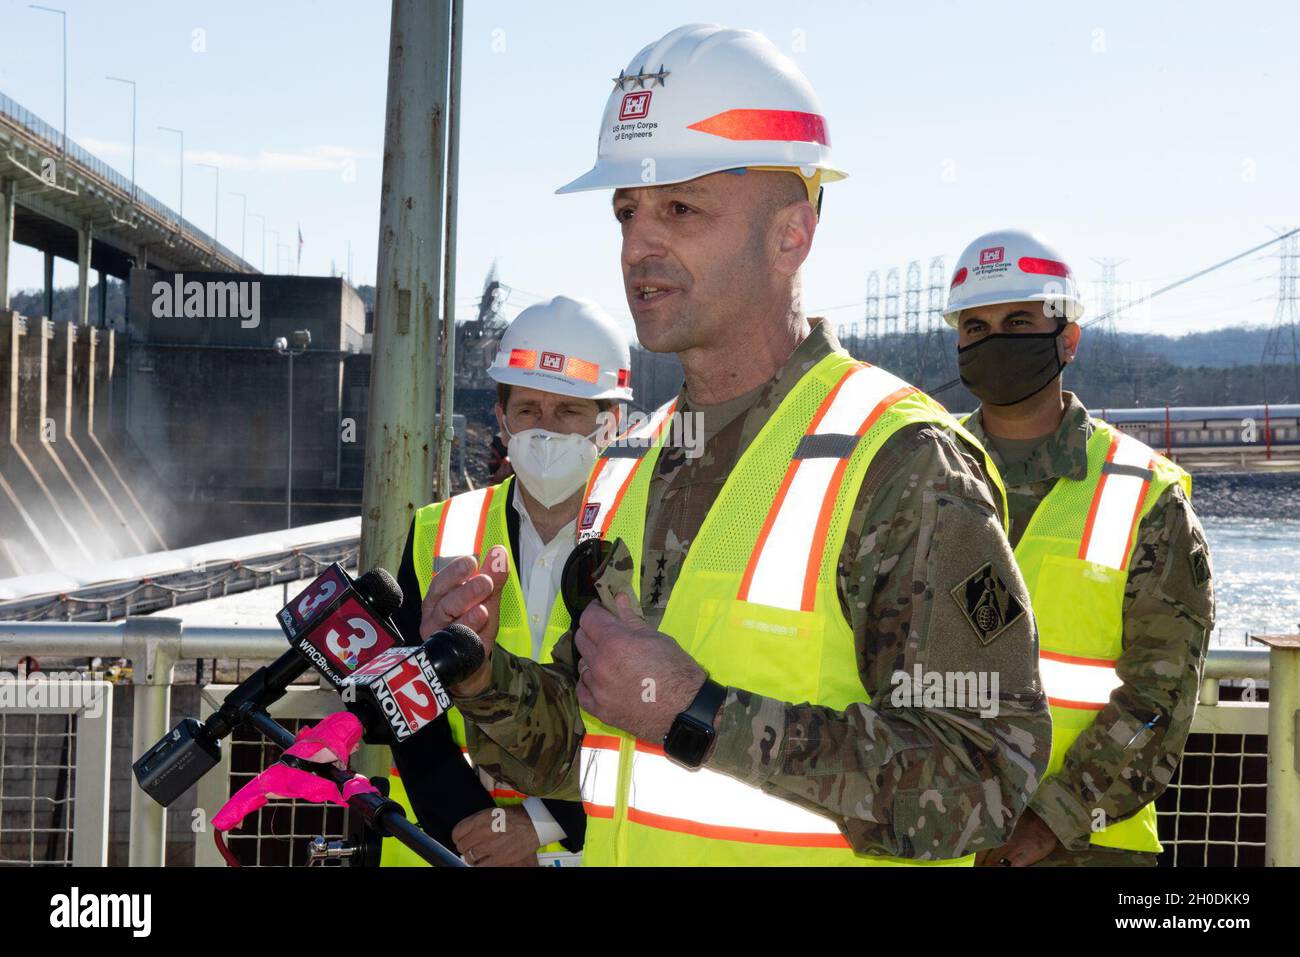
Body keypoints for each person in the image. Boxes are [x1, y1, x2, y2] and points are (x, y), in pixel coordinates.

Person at [441, 24, 1051, 866]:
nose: (637, 246)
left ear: (790, 236)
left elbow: (987, 776)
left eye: (680, 208)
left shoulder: (900, 460)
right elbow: (585, 745)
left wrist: (702, 714)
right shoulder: (630, 461)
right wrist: (477, 674)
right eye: (626, 211)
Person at [943, 229, 1214, 867]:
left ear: (1068, 338)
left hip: (1084, 850)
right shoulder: (915, 466)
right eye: (975, 328)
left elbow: (1160, 697)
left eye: (1017, 321)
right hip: (931, 840)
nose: (994, 341)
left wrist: (1047, 823)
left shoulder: (1143, 493)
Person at [385, 295, 633, 866]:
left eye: (569, 412)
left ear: (610, 423)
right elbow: (403, 701)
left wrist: (541, 824)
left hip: (596, 846)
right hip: (445, 844)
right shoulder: (438, 530)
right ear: (501, 416)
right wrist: (471, 834)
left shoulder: (649, 535)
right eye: (527, 410)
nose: (545, 431)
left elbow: (645, 712)